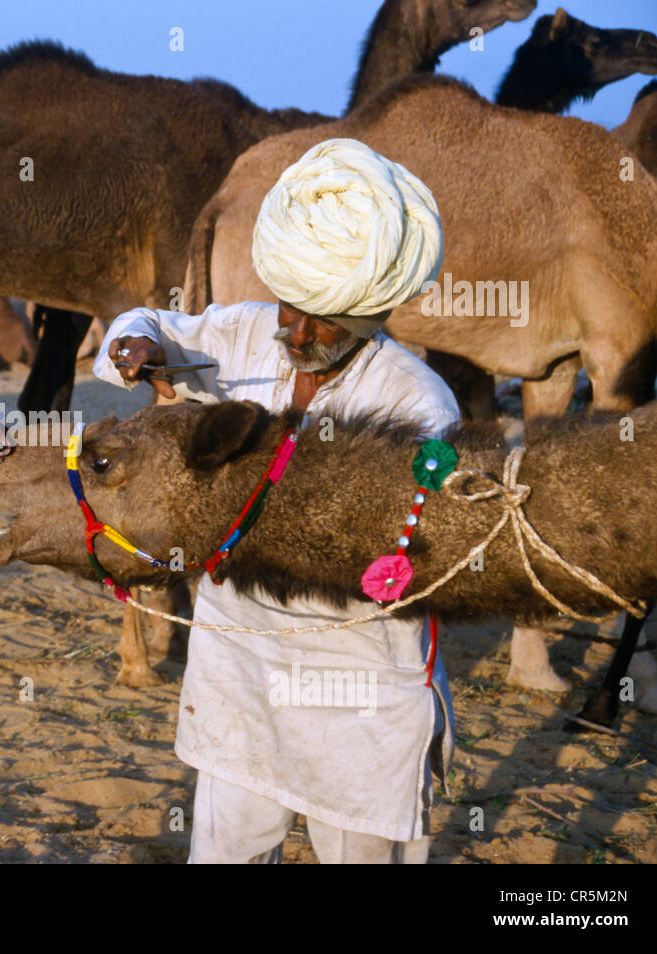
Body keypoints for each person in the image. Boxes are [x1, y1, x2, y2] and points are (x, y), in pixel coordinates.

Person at [95, 138, 460, 863]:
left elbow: (416, 550)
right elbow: (148, 325)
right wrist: (139, 348)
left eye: (319, 320)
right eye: (291, 309)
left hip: (357, 683)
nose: (293, 332)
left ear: (370, 311)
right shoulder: (246, 335)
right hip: (238, 669)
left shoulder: (417, 403)